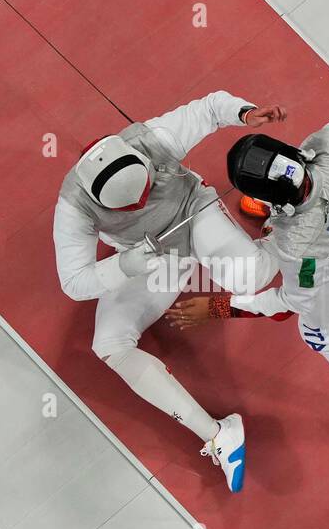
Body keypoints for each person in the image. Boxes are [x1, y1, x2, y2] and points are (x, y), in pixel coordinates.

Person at [166, 0, 329, 476]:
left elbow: (282, 302)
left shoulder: (299, 252)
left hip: (326, 251)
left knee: (324, 335)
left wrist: (219, 306)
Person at [54, 93, 287, 493]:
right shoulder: (73, 208)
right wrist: (123, 265)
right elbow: (74, 282)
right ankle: (218, 434)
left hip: (196, 216)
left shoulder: (150, 141)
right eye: (133, 205)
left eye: (147, 189)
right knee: (110, 345)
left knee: (250, 280)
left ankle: (285, 219)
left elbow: (210, 109)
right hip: (149, 256)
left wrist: (244, 112)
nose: (145, 201)